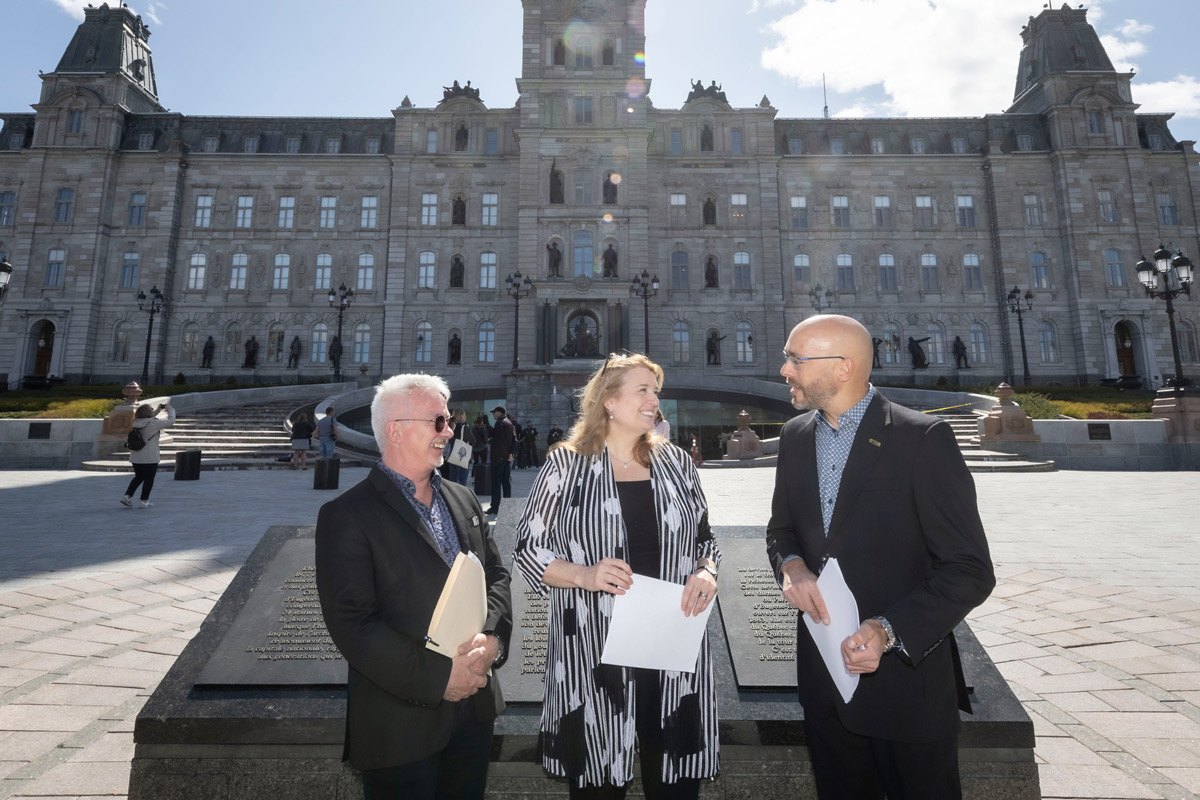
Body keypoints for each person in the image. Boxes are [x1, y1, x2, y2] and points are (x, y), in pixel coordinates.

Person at [765, 314, 995, 800]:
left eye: (795, 359)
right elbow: (781, 531)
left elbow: (970, 570)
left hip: (906, 691)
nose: (785, 370)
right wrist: (791, 566)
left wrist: (885, 629)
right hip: (826, 688)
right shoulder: (794, 437)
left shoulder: (921, 440)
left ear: (844, 367)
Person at [513, 353, 720, 798]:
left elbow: (706, 539)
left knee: (676, 783)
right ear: (608, 400)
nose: (654, 400)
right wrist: (583, 574)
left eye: (656, 390)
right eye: (642, 390)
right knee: (598, 784)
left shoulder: (678, 464)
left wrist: (706, 572)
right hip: (594, 652)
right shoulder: (564, 466)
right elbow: (528, 549)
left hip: (672, 649)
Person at [315, 374, 512, 800]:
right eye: (438, 421)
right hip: (400, 725)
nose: (450, 430)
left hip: (473, 713)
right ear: (395, 429)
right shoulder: (346, 516)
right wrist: (440, 678)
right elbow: (354, 625)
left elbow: (496, 576)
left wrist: (494, 640)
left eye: (450, 420)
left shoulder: (462, 498)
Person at [121, 400, 176, 509]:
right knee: (149, 478)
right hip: (150, 457)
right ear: (148, 413)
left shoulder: (136, 422)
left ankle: (127, 497)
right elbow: (171, 421)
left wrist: (158, 410)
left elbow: (147, 419)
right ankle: (144, 501)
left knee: (138, 477)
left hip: (136, 456)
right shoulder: (153, 423)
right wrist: (170, 409)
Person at [485, 406, 515, 515]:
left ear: (499, 412)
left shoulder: (500, 423)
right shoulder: (509, 423)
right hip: (507, 458)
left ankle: (495, 507)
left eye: (494, 412)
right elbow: (514, 440)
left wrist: (503, 455)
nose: (493, 415)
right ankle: (507, 507)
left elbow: (499, 442)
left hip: (499, 458)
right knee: (506, 482)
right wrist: (511, 454)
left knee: (496, 483)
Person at [446, 408, 475, 487]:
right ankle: (461, 498)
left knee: (452, 480)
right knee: (462, 481)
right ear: (461, 415)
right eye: (464, 414)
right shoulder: (464, 427)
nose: (465, 416)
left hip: (452, 454)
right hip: (462, 454)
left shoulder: (450, 426)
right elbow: (473, 441)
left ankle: (452, 497)